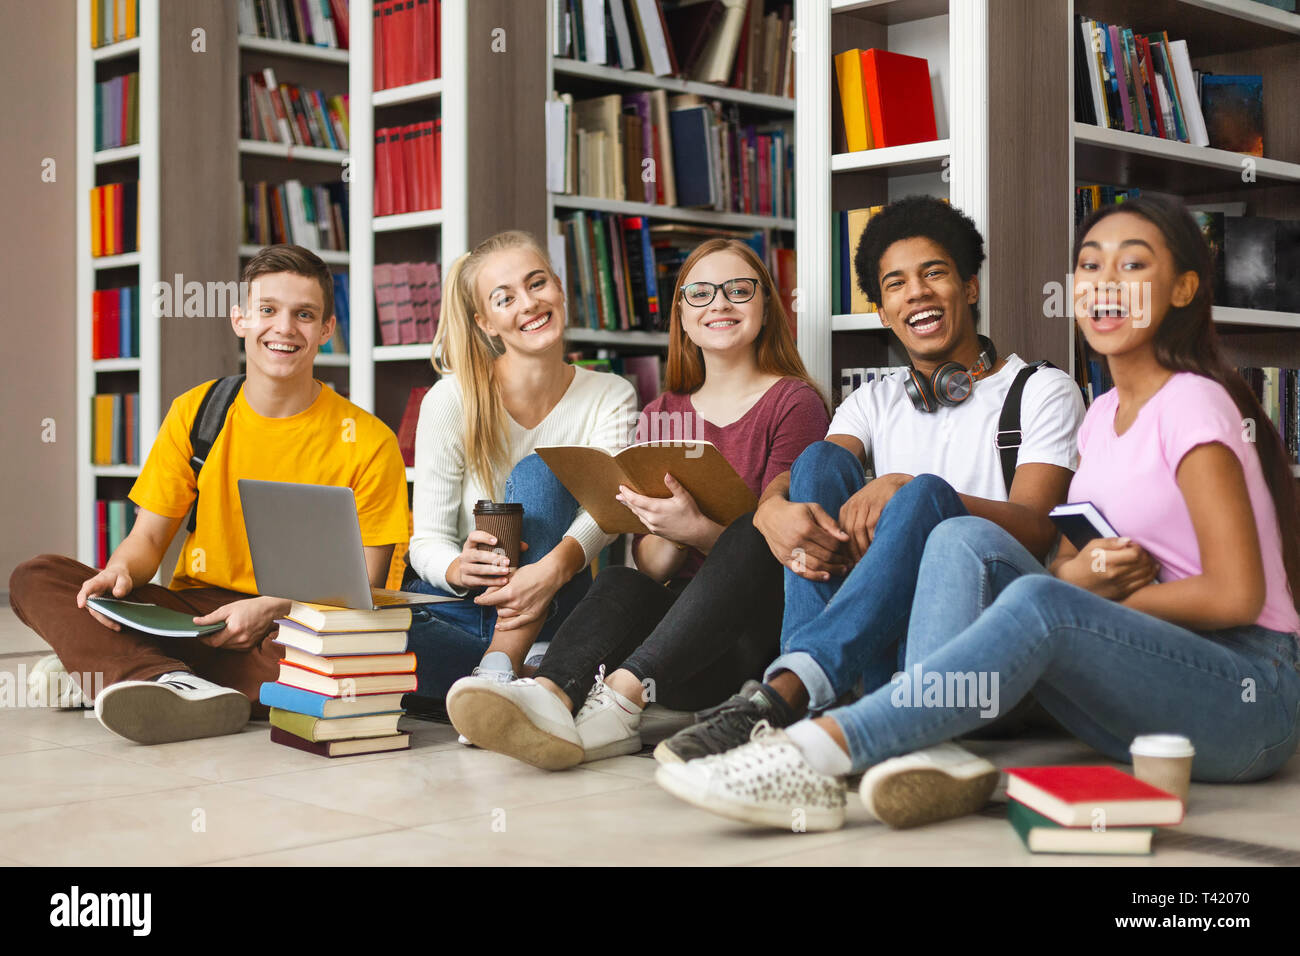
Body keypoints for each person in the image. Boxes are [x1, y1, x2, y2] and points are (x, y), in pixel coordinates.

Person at [657, 196, 1300, 832]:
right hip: (1134, 678)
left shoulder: (1191, 403)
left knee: (975, 540)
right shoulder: (1105, 417)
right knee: (870, 486)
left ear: (1185, 287)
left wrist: (1090, 605)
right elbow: (1074, 563)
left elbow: (1237, 595)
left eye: (1133, 266)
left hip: (1244, 688)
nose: (1106, 284)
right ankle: (891, 726)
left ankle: (806, 743)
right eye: (1090, 266)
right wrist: (772, 508)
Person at [656, 196, 1087, 763]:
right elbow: (808, 473)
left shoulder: (1041, 390)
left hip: (988, 635)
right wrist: (769, 509)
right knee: (816, 464)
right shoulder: (871, 402)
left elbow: (1035, 529)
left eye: (934, 273)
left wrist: (911, 487)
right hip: (892, 637)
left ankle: (787, 696)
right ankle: (813, 707)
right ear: (883, 312)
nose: (917, 292)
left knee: (928, 494)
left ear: (971, 288)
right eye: (896, 284)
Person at [444, 239, 830, 769]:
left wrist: (698, 529)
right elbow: (649, 565)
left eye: (739, 290)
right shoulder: (661, 412)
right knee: (622, 580)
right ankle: (551, 697)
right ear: (683, 319)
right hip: (679, 655)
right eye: (701, 294)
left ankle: (621, 701)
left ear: (765, 309)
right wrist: (667, 531)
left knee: (755, 528)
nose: (720, 304)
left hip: (754, 643)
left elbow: (780, 549)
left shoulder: (795, 402)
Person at [8, 245, 410, 744]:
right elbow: (148, 539)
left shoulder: (368, 440)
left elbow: (365, 585)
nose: (283, 328)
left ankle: (119, 671)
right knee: (37, 577)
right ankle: (163, 677)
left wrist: (272, 607)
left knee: (341, 664)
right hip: (196, 614)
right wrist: (117, 575)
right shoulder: (197, 412)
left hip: (293, 623)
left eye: (303, 315)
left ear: (326, 329)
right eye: (267, 310)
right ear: (239, 318)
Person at [403, 230, 638, 705]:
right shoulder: (450, 399)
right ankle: (532, 673)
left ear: (559, 288)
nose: (528, 304)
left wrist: (551, 572)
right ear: (486, 323)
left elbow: (606, 514)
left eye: (537, 284)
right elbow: (425, 539)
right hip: (461, 608)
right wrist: (456, 566)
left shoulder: (611, 394)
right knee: (380, 650)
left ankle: (503, 667)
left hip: (557, 596)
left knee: (541, 471)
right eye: (504, 298)